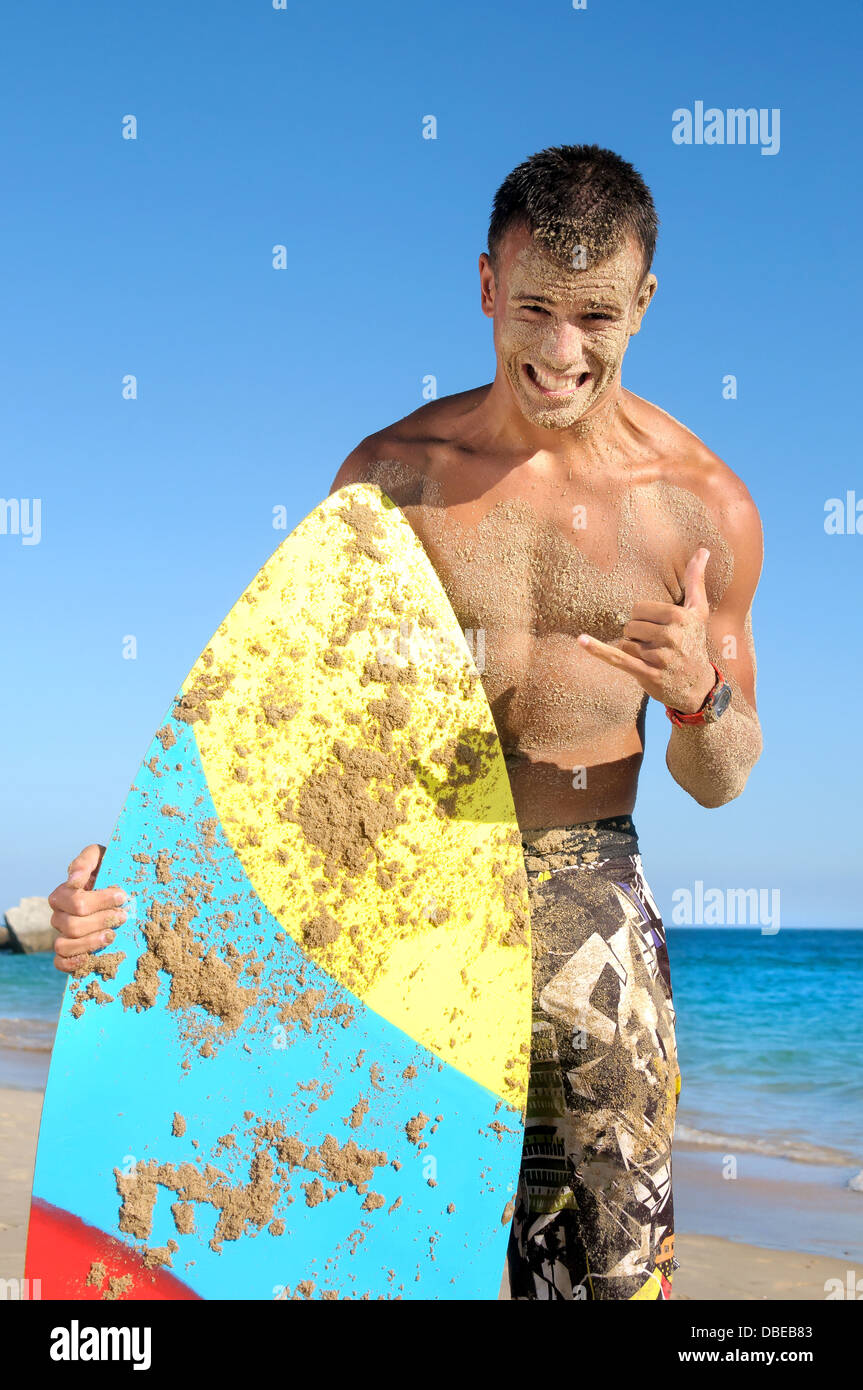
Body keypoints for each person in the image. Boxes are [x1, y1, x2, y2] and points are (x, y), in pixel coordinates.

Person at [48, 144, 763, 1301]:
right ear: (484, 286)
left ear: (641, 302)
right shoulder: (389, 481)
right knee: (393, 1245)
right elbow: (291, 752)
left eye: (593, 315)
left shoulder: (699, 507)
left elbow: (722, 773)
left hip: (589, 906)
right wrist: (132, 896)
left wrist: (698, 695)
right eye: (532, 308)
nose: (559, 352)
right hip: (399, 903)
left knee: (612, 1271)